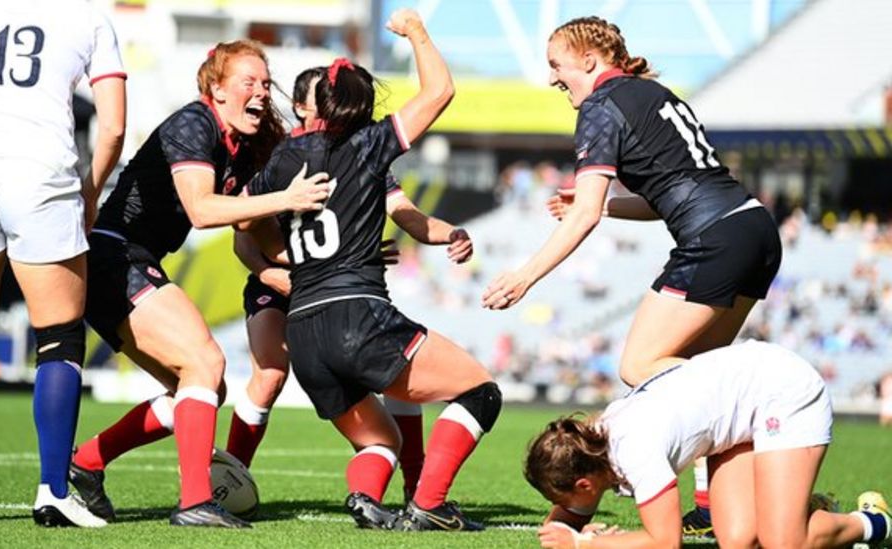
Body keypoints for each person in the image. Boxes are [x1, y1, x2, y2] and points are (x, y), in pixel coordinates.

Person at [481, 16, 782, 534]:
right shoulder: (651, 92)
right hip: (754, 228)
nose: (553, 78)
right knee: (701, 372)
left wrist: (525, 275)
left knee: (640, 363)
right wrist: (610, 203)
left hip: (714, 239)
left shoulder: (600, 105)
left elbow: (585, 216)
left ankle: (766, 418)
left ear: (590, 61)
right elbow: (672, 192)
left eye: (557, 65)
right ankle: (720, 500)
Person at [242, 9, 501, 531]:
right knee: (480, 393)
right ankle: (429, 504)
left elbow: (244, 224)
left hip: (306, 329)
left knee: (381, 439)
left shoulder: (280, 162)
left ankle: (365, 496)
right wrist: (418, 33)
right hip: (356, 314)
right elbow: (439, 91)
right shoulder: (368, 145)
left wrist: (289, 261)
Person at [66, 40, 330, 529]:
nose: (261, 92)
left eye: (265, 83)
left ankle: (87, 463)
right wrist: (283, 196)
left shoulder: (241, 146)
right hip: (113, 254)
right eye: (248, 82)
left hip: (129, 261)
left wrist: (327, 264)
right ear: (217, 89)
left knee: (196, 384)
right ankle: (193, 503)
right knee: (206, 363)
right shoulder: (195, 122)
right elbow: (203, 210)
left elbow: (254, 237)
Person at [0, 0, 126, 528]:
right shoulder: (90, 17)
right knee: (59, 336)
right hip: (38, 172)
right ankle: (54, 490)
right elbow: (114, 128)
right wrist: (92, 189)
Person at [524, 340, 892, 549]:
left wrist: (583, 544)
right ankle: (797, 504)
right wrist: (569, 531)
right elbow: (564, 523)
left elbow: (666, 542)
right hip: (737, 414)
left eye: (558, 499)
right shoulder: (590, 446)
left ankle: (873, 522)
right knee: (739, 542)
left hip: (781, 390)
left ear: (585, 484)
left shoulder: (635, 449)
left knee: (783, 542)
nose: (557, 509)